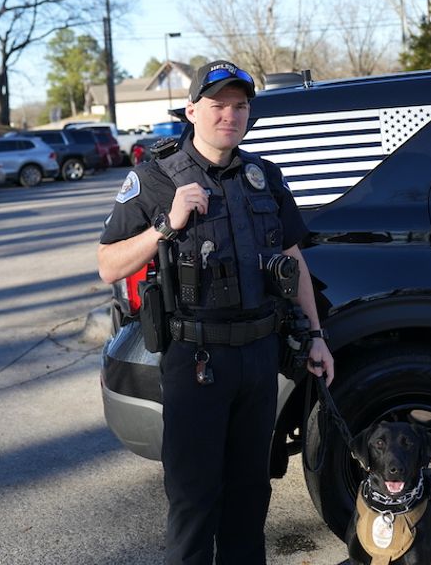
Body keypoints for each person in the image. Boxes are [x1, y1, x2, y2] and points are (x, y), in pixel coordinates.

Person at [96, 59, 335, 565]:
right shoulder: (155, 178)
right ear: (191, 110)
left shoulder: (264, 177)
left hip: (258, 358)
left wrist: (315, 334)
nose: (230, 114)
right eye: (218, 105)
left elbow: (293, 262)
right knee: (194, 500)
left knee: (250, 498)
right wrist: (166, 224)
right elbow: (107, 263)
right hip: (195, 362)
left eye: (240, 105)